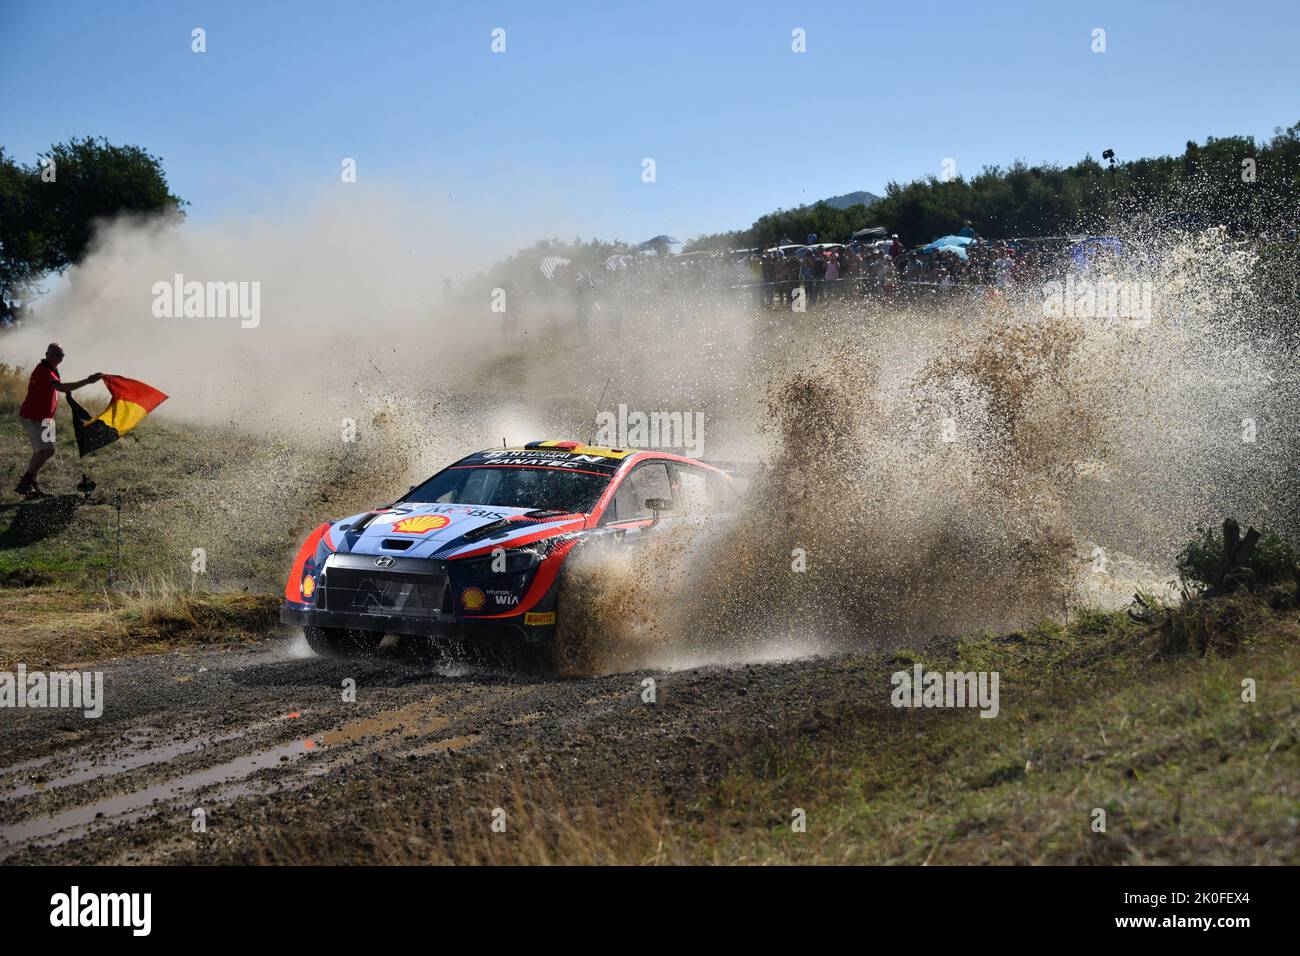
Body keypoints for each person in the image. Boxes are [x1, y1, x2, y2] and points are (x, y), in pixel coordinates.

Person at [15, 343, 102, 498]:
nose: (58, 358)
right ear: (47, 354)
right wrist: (87, 381)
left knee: (42, 452)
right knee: (46, 451)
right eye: (55, 354)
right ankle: (26, 482)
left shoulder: (51, 369)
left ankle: (31, 485)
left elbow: (58, 388)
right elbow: (59, 387)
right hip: (33, 416)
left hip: (45, 419)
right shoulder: (43, 370)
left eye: (61, 355)